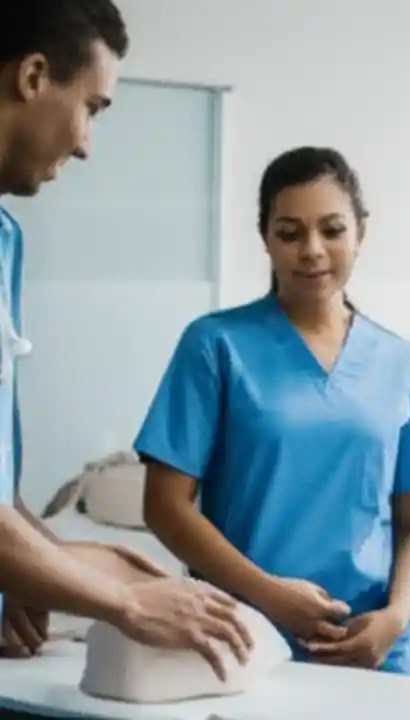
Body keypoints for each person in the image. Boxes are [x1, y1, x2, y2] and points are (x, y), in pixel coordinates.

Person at [135, 146, 410, 676]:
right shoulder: (215, 346)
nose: (312, 250)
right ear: (265, 236)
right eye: (290, 233)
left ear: (361, 232)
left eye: (332, 230)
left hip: (373, 650)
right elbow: (165, 507)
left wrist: (396, 618)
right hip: (244, 638)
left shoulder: (405, 365)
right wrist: (270, 597)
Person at [0, 0, 251, 677]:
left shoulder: (6, 238)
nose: (85, 143)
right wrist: (122, 602)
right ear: (32, 76)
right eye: (93, 108)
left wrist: (42, 568)